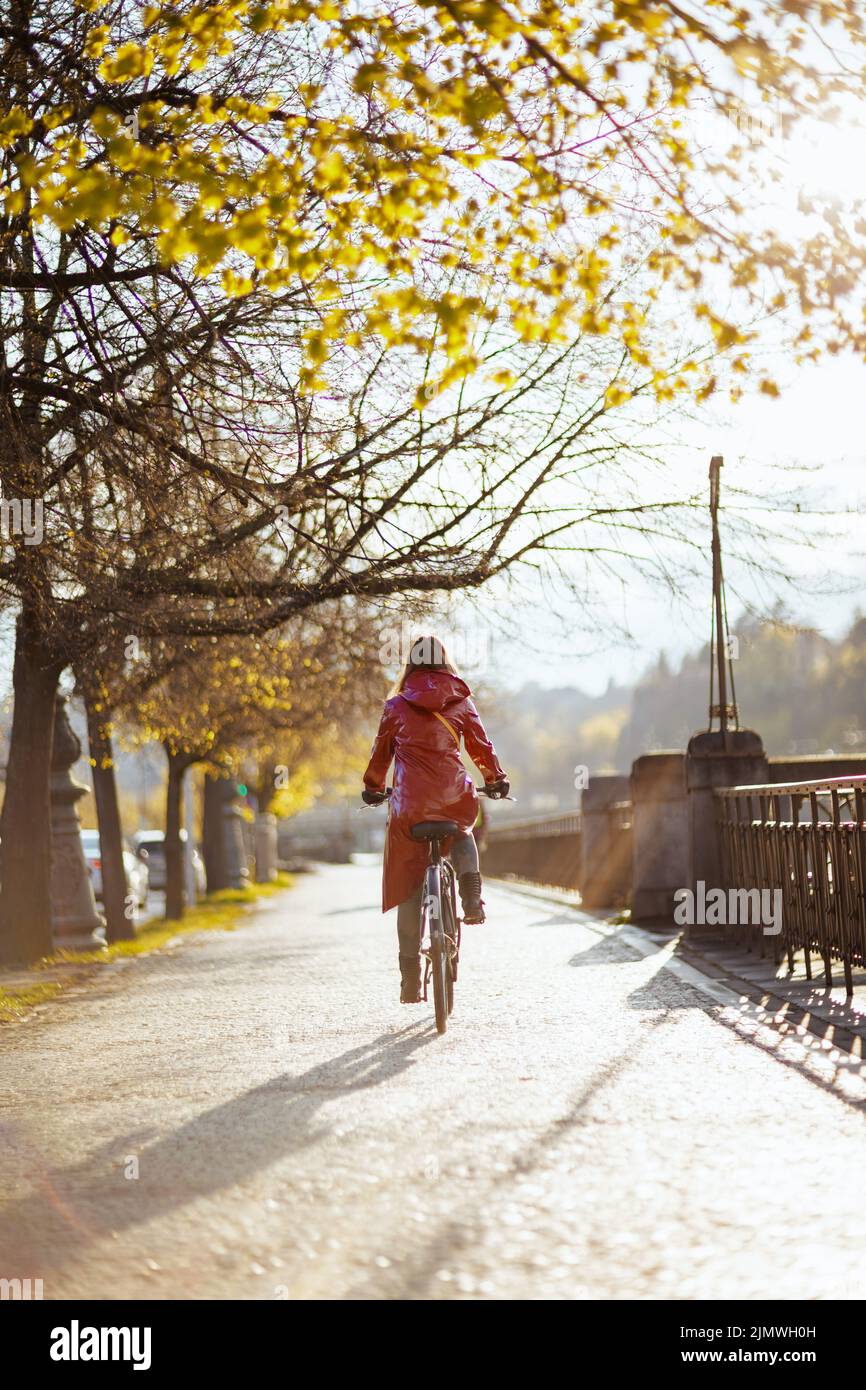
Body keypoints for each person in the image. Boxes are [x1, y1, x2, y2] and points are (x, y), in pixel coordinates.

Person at [362, 635, 510, 1003]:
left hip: (410, 806)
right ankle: (472, 899)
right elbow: (480, 746)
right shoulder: (460, 701)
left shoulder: (396, 706)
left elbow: (381, 754)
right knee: (462, 832)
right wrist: (495, 780)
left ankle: (410, 980)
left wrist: (372, 787)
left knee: (409, 889)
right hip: (453, 797)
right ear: (446, 661)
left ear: (410, 664)